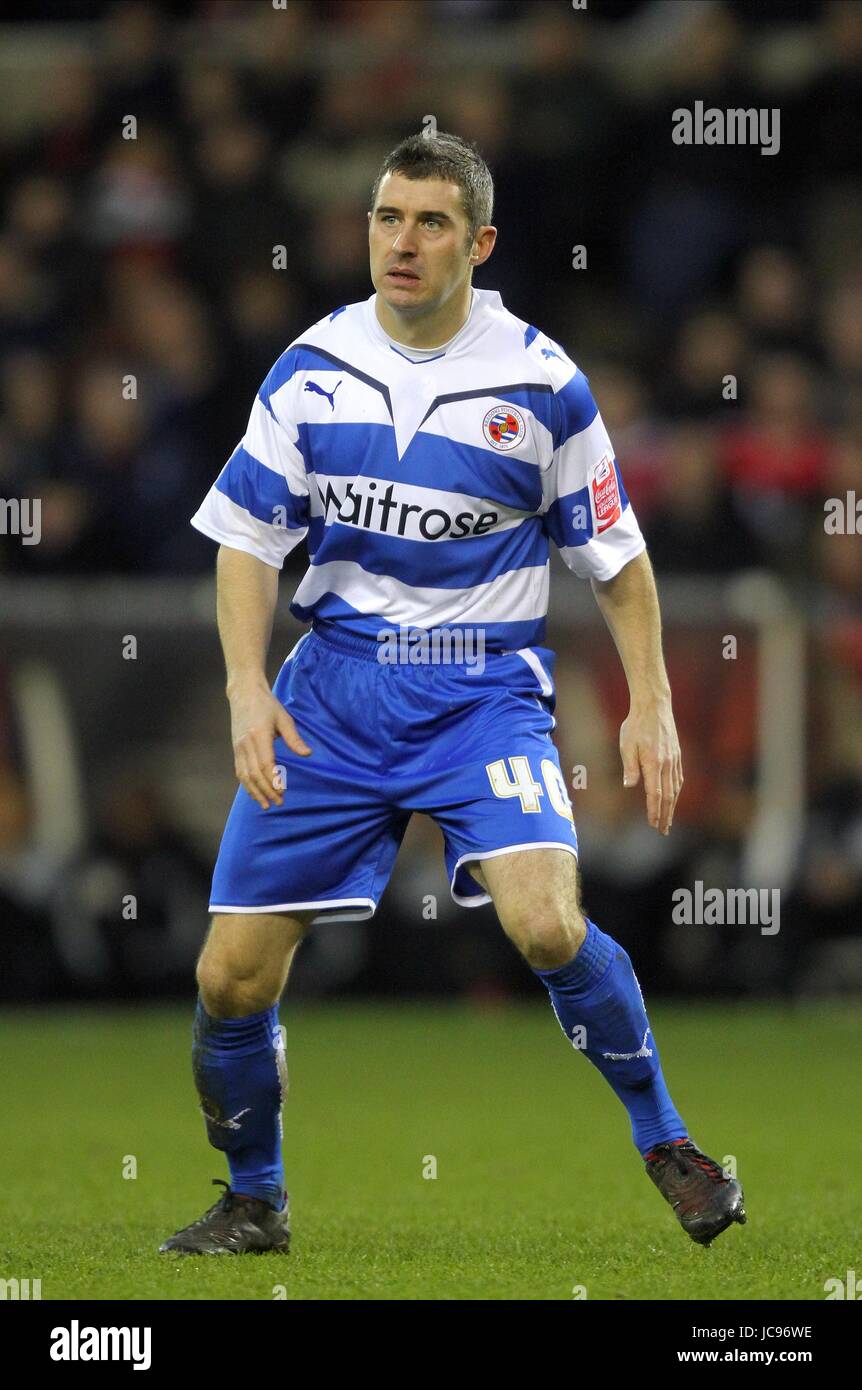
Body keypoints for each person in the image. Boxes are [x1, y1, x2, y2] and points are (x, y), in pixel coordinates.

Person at [159, 132, 745, 1257]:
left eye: (430, 222)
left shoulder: (541, 383)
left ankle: (668, 1142)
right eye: (386, 218)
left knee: (546, 920)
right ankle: (254, 1200)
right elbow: (244, 543)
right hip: (328, 695)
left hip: (482, 692)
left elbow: (614, 559)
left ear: (478, 241)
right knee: (229, 978)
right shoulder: (309, 369)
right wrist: (244, 683)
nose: (402, 242)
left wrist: (651, 700)